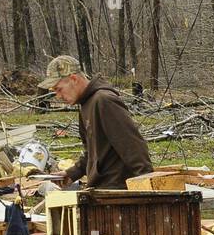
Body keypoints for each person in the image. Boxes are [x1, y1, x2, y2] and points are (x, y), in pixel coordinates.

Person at [38, 55, 153, 190]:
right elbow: (94, 152)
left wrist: (149, 189)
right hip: (101, 190)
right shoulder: (85, 104)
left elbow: (133, 147)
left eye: (59, 89)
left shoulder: (104, 101)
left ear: (74, 79)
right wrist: (72, 173)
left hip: (117, 192)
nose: (58, 96)